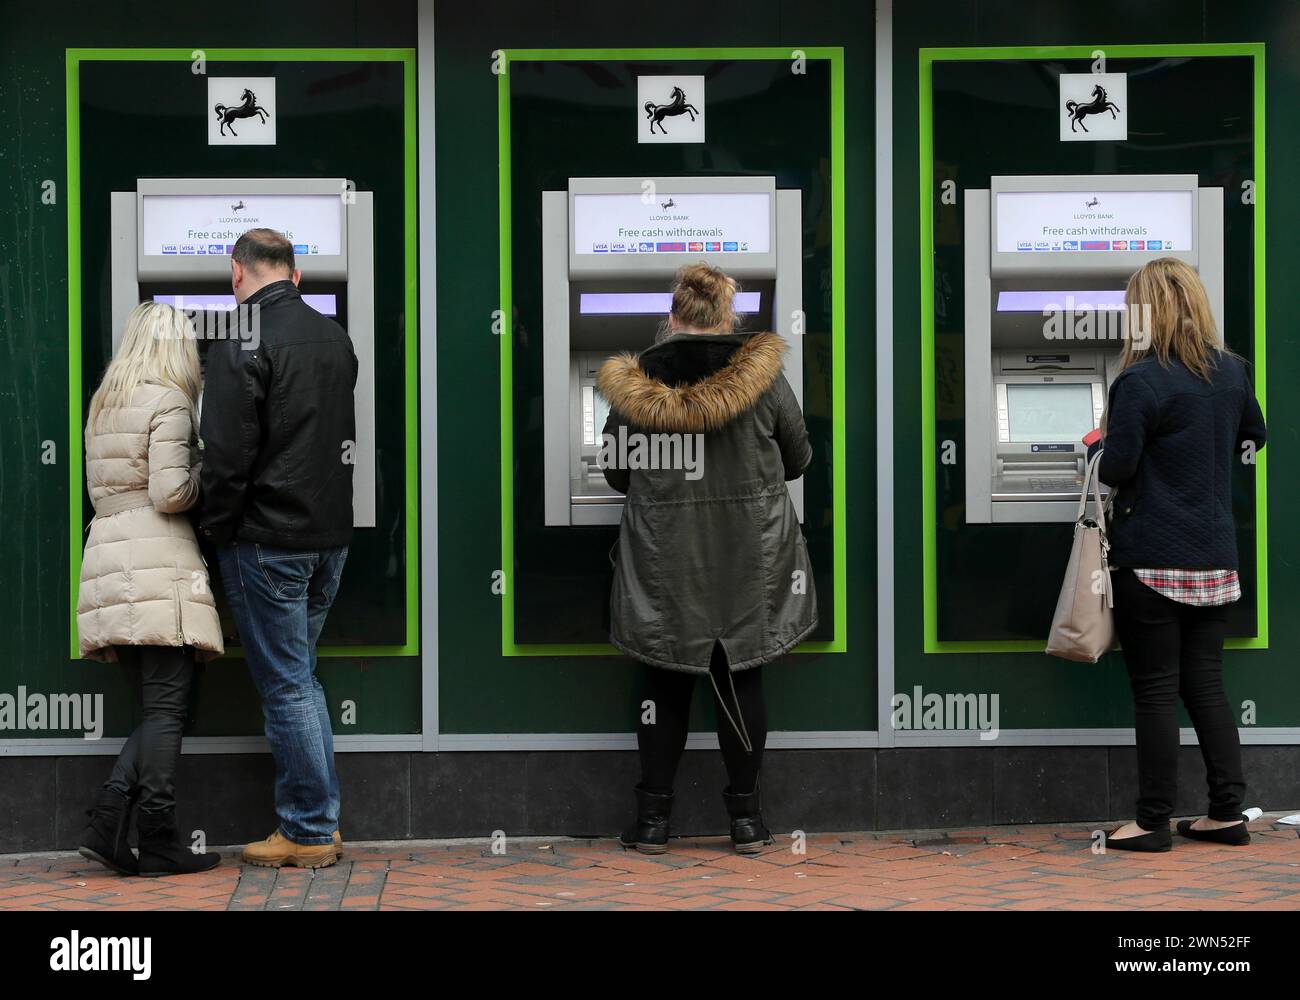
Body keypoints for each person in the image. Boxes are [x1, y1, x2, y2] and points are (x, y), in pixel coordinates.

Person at [596, 262, 817, 855]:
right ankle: (746, 822)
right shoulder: (766, 379)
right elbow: (798, 458)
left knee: (664, 679)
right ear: (728, 318)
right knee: (741, 676)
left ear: (672, 319)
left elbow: (617, 471)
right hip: (750, 554)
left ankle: (651, 824)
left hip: (666, 559)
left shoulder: (638, 382)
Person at [1093, 258, 1266, 852]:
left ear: (1144, 312)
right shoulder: (1232, 372)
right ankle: (1226, 813)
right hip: (1216, 555)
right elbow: (1255, 434)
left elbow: (1116, 468)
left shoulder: (1140, 382)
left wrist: (1099, 439)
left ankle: (1152, 822)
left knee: (1157, 690)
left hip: (1153, 559)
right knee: (1208, 686)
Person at [199, 228, 358, 869]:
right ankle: (317, 821)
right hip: (329, 538)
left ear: (238, 274)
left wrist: (216, 530)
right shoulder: (336, 337)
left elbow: (228, 458)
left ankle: (310, 829)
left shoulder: (242, 339)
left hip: (268, 540)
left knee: (289, 686)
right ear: (294, 276)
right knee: (303, 679)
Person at [77, 302, 224, 877]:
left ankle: (109, 823)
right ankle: (152, 834)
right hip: (157, 560)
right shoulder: (169, 401)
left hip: (110, 558)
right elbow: (169, 494)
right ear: (177, 349)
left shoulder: (104, 403)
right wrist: (207, 467)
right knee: (168, 709)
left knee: (153, 707)